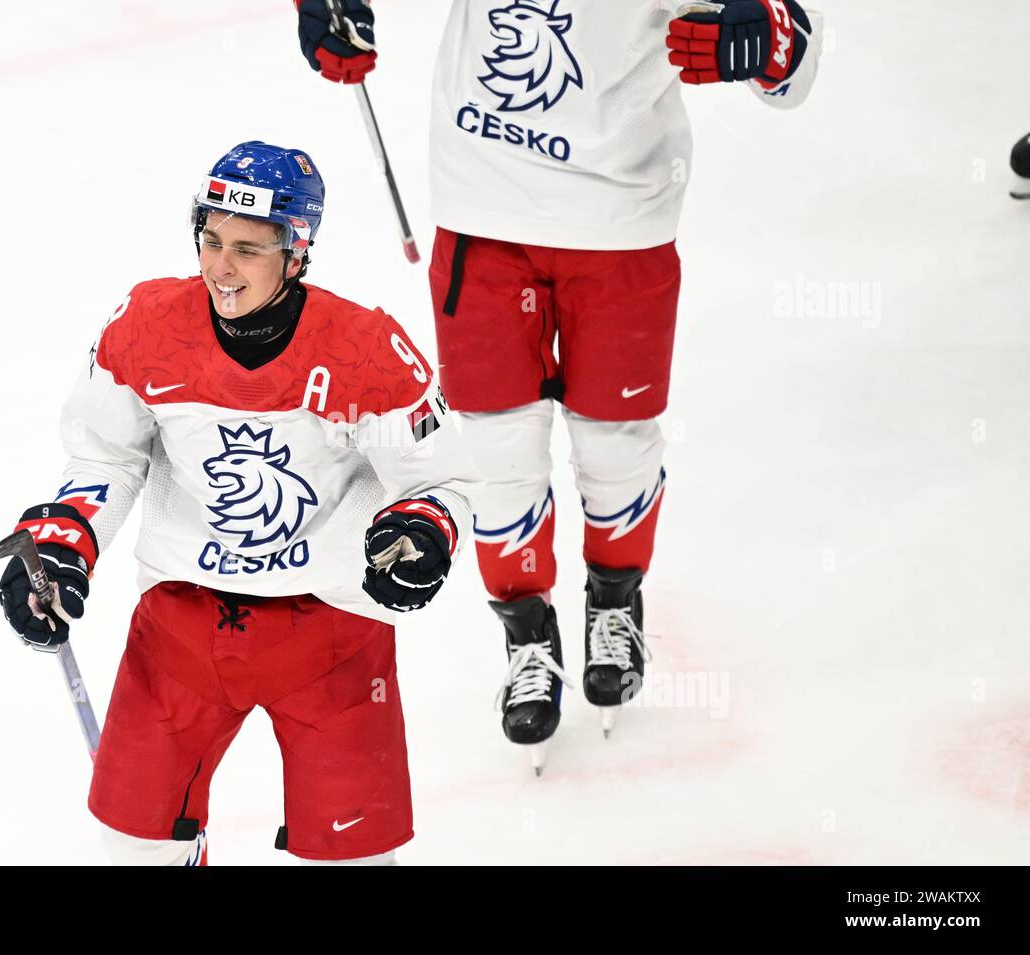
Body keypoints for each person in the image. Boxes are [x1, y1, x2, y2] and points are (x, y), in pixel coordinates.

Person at [296, 0, 824, 764]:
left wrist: (773, 37)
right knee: (496, 450)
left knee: (617, 444)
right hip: (483, 210)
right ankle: (526, 634)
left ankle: (614, 597)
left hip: (622, 220)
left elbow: (795, 71)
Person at [0, 141, 476, 864]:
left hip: (333, 636)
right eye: (212, 239)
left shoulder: (365, 351)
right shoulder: (148, 326)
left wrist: (424, 530)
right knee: (134, 842)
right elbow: (106, 451)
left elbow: (440, 478)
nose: (221, 266)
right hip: (182, 628)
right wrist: (65, 537)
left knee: (353, 856)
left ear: (296, 253)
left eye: (248, 249)